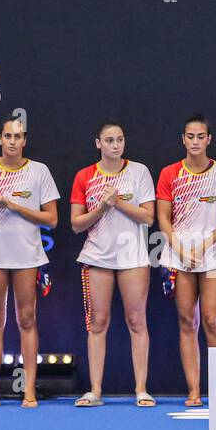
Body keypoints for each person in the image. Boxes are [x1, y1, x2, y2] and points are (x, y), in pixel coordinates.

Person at [0, 116, 60, 408]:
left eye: (17, 137)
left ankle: (29, 391)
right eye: (8, 136)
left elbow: (52, 219)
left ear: (24, 141)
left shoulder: (39, 171)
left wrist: (18, 207)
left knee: (27, 319)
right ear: (0, 139)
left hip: (26, 254)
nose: (12, 141)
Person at [69, 121, 156, 407]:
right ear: (98, 144)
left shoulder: (139, 172)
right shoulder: (84, 176)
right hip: (97, 257)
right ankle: (95, 391)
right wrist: (102, 207)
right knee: (98, 323)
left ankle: (141, 389)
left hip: (133, 258)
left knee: (136, 321)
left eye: (119, 140)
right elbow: (76, 224)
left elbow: (148, 217)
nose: (115, 145)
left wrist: (118, 203)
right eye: (109, 140)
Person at [156, 115, 216, 407]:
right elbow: (163, 217)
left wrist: (205, 244)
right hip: (178, 256)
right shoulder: (169, 173)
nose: (194, 141)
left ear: (208, 139)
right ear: (183, 139)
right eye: (190, 136)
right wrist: (179, 247)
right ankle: (194, 390)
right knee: (186, 321)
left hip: (213, 254)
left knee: (212, 321)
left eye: (200, 136)